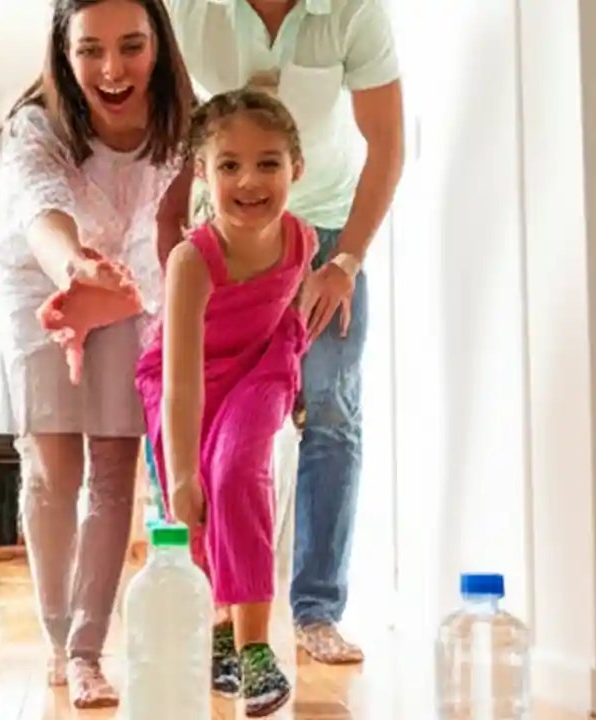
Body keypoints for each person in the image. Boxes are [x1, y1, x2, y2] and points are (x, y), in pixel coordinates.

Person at [163, 0, 405, 663]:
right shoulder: (187, 8)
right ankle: (213, 613)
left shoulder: (352, 12)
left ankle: (317, 611)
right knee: (203, 423)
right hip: (226, 237)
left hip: (323, 231)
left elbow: (386, 143)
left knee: (330, 409)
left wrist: (346, 261)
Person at [0, 0, 194, 708]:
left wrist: (145, 297)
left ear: (159, 46)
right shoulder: (36, 126)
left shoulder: (180, 128)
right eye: (90, 50)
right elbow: (41, 213)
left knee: (115, 466)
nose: (112, 71)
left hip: (133, 285)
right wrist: (74, 268)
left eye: (132, 46)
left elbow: (175, 234)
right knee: (52, 467)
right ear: (63, 49)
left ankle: (86, 652)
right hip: (44, 283)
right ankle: (54, 639)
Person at [135, 88, 315, 718]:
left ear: (298, 168)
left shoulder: (303, 241)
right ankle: (220, 629)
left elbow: (288, 307)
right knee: (201, 499)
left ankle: (256, 648)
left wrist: (293, 388)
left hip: (262, 367)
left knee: (240, 470)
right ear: (204, 175)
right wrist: (181, 471)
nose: (249, 180)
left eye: (269, 163)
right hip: (187, 378)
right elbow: (183, 377)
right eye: (229, 165)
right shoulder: (193, 260)